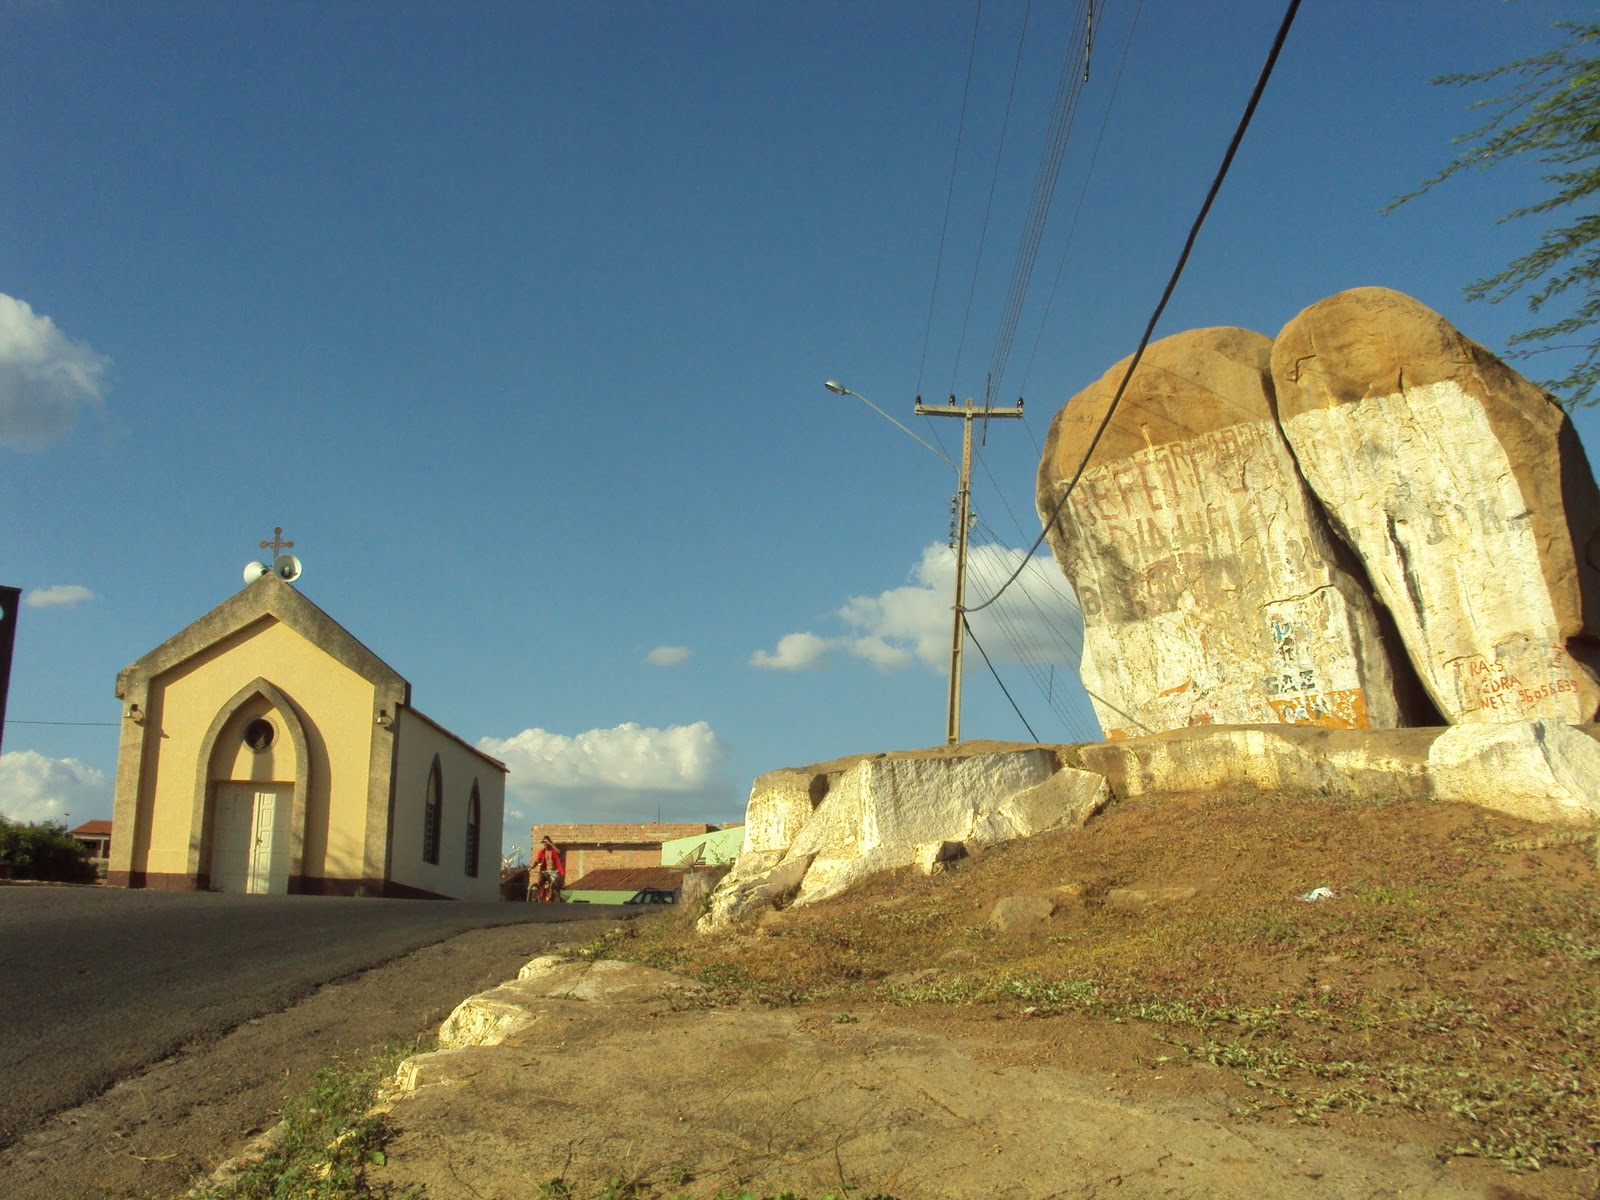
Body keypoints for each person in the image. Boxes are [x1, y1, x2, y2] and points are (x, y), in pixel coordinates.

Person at [531, 835, 565, 901]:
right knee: (540, 880)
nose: (545, 844)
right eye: (544, 843)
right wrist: (532, 867)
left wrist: (550, 843)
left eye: (546, 842)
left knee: (552, 884)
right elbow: (537, 861)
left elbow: (559, 851)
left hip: (554, 871)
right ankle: (539, 896)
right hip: (545, 871)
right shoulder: (542, 852)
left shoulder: (553, 851)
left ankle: (550, 897)